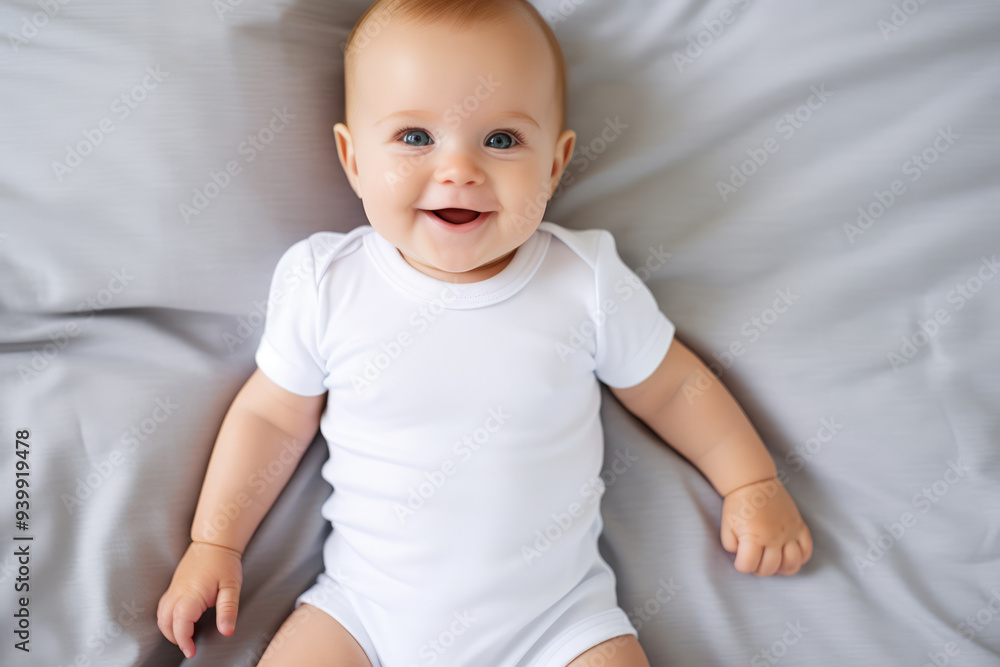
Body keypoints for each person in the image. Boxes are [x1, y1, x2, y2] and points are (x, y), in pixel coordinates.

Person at [157, 1, 813, 664]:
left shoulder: (582, 279)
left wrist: (750, 481)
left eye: (501, 140)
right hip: (365, 613)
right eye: (415, 137)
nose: (458, 170)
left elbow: (673, 387)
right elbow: (271, 416)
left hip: (559, 625)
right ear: (353, 159)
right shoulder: (327, 281)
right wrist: (216, 542)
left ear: (555, 166)